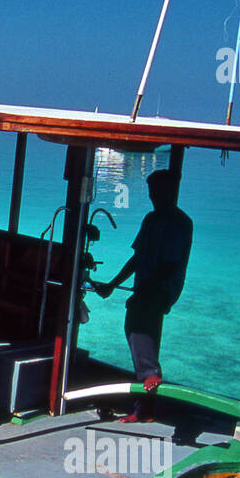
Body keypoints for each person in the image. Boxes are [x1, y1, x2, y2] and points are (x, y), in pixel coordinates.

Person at [93, 169, 192, 423]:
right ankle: (144, 408)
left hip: (160, 289)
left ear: (171, 192)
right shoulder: (150, 219)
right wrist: (113, 284)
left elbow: (170, 265)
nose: (153, 197)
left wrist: (146, 292)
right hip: (146, 287)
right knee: (139, 334)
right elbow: (137, 258)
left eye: (157, 192)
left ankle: (150, 374)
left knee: (138, 330)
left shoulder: (180, 222)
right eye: (152, 193)